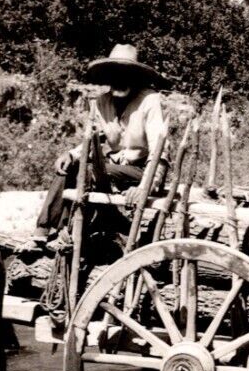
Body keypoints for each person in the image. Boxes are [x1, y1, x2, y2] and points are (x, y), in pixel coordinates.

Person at [37, 44, 170, 233]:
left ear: (135, 76)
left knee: (90, 171)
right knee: (68, 167)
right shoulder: (102, 102)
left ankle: (68, 230)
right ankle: (42, 231)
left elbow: (160, 150)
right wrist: (72, 155)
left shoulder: (150, 100)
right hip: (112, 169)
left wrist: (145, 186)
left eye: (125, 74)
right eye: (114, 74)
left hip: (141, 172)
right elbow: (93, 140)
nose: (119, 79)